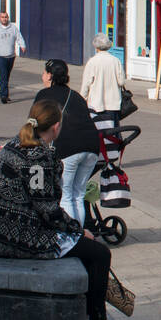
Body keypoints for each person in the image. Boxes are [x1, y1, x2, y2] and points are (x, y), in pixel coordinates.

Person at [0, 100, 129, 320]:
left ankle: (88, 312)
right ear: (56, 126)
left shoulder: (13, 146)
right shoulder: (37, 158)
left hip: (0, 233)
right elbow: (47, 209)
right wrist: (77, 229)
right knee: (100, 254)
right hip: (21, 239)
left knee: (86, 249)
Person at [32, 59, 101, 226]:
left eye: (44, 72)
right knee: (78, 194)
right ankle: (81, 235)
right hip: (92, 146)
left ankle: (73, 238)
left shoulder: (43, 95)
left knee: (66, 194)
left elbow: (34, 123)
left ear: (49, 76)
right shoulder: (75, 95)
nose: (42, 76)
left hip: (68, 148)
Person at [81, 32, 127, 129]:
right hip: (113, 104)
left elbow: (86, 84)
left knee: (98, 132)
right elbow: (121, 82)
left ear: (96, 47)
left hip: (96, 104)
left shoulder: (92, 62)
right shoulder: (116, 61)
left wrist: (82, 98)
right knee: (113, 132)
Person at [0, 11, 26, 104]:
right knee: (3, 75)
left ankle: (5, 93)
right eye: (2, 17)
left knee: (6, 75)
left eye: (6, 17)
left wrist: (22, 45)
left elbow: (19, 37)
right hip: (0, 55)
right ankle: (3, 95)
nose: (4, 19)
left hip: (11, 55)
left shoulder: (13, 27)